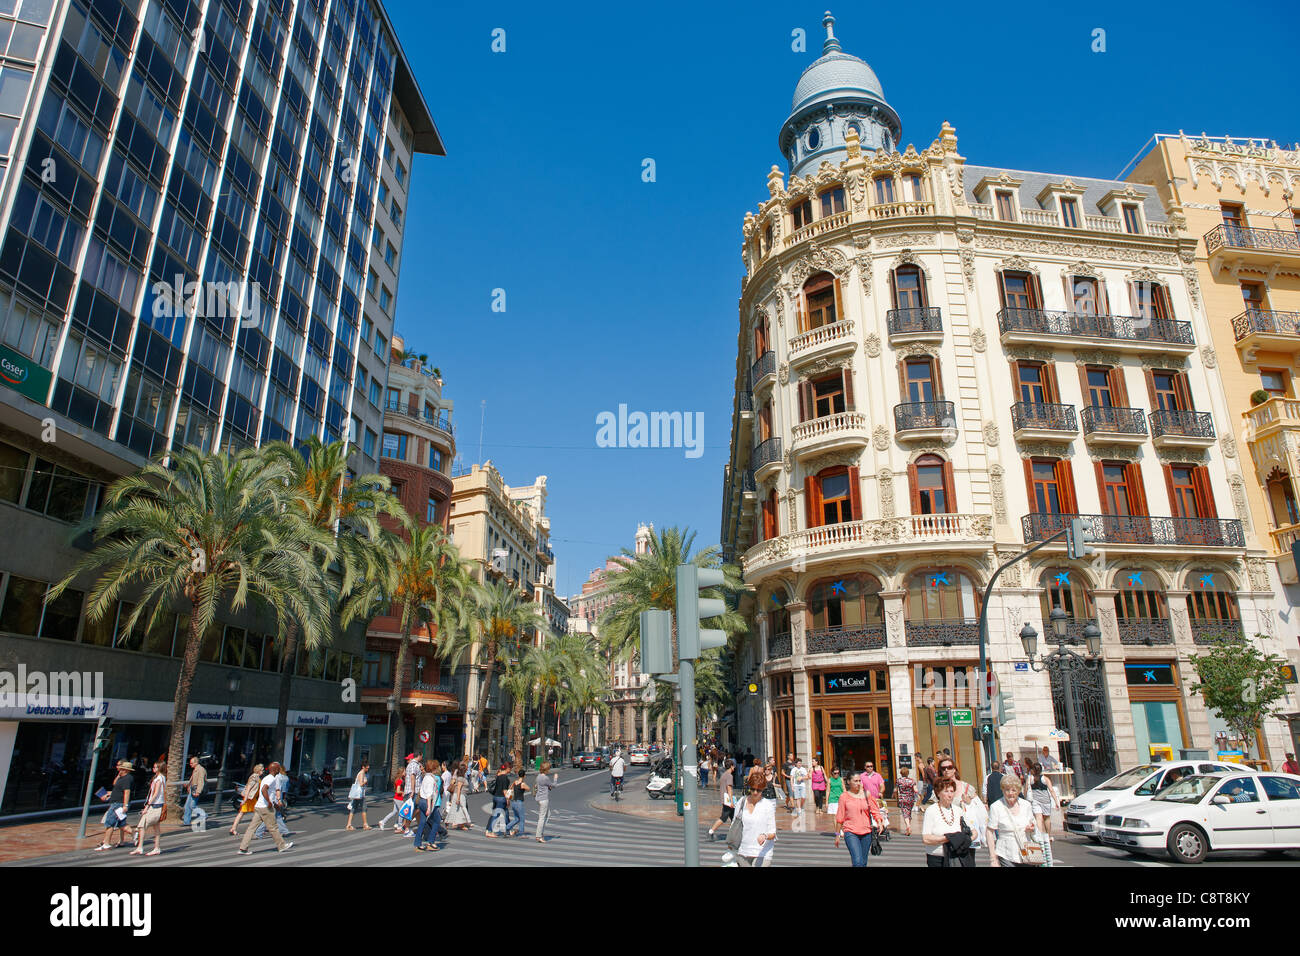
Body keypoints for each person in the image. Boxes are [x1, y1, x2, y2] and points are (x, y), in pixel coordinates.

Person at [987, 773, 1045, 868]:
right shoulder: (996, 807)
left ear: (1018, 791)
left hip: (1027, 852)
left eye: (1013, 790)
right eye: (1007, 790)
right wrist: (993, 858)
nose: (1010, 793)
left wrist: (1031, 828)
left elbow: (1033, 824)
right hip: (1005, 852)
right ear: (1002, 790)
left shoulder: (1026, 805)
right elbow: (989, 831)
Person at [237, 762, 292, 854]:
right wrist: (270, 802)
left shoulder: (266, 778)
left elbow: (271, 792)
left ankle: (243, 848)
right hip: (265, 807)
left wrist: (276, 804)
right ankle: (281, 846)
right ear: (275, 770)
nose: (279, 770)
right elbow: (264, 790)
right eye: (278, 768)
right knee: (273, 827)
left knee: (251, 828)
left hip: (259, 806)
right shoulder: (271, 779)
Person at [834, 771, 885, 867]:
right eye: (855, 781)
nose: (858, 783)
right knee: (857, 861)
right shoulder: (844, 797)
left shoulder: (866, 794)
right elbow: (840, 817)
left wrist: (879, 822)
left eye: (859, 781)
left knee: (863, 862)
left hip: (866, 832)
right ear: (848, 782)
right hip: (851, 832)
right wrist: (837, 834)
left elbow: (875, 810)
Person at [922, 777, 973, 867]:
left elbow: (973, 832)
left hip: (956, 856)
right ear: (938, 793)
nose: (950, 795)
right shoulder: (931, 811)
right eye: (946, 791)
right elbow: (926, 839)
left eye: (952, 791)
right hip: (937, 858)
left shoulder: (958, 810)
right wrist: (951, 838)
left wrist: (962, 839)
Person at [736, 768, 777, 866]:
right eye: (753, 789)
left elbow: (773, 832)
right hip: (743, 851)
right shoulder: (741, 802)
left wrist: (765, 836)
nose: (755, 792)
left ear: (763, 789)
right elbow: (735, 824)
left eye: (758, 790)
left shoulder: (767, 805)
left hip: (762, 852)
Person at [94, 760, 135, 851]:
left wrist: (125, 805)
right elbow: (115, 785)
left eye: (122, 768)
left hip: (118, 804)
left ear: (126, 770)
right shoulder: (121, 778)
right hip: (115, 803)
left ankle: (106, 843)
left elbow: (126, 792)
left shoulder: (127, 779)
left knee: (110, 823)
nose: (120, 769)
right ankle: (134, 834)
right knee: (121, 824)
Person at [129, 760, 166, 856]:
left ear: (160, 768)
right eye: (153, 767)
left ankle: (141, 847)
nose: (153, 769)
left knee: (142, 826)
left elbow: (155, 794)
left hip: (155, 806)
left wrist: (147, 806)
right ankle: (155, 847)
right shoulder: (159, 778)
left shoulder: (159, 779)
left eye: (155, 767)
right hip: (157, 805)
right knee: (156, 828)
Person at [413, 759, 442, 853]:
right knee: (437, 820)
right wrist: (429, 807)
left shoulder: (426, 777)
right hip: (426, 802)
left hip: (421, 800)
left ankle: (417, 844)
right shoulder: (430, 779)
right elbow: (429, 794)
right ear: (434, 768)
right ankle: (431, 842)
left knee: (422, 822)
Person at [1025, 760, 1060, 836]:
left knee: (1038, 818)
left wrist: (1025, 800)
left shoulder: (1030, 779)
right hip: (1045, 800)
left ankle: (1040, 835)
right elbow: (1051, 790)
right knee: (1047, 818)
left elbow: (1026, 790)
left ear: (1033, 770)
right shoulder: (1045, 779)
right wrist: (1056, 801)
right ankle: (1048, 835)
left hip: (1035, 800)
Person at [229, 764, 263, 836]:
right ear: (259, 770)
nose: (263, 771)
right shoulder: (254, 777)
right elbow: (248, 788)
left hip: (252, 799)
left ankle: (233, 828)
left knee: (244, 813)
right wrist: (245, 799)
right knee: (243, 813)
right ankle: (234, 828)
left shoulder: (257, 777)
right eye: (262, 770)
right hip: (249, 799)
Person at [707, 759, 736, 840]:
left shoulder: (724, 775)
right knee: (723, 818)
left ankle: (734, 834)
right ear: (731, 766)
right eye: (733, 765)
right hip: (728, 801)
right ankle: (711, 831)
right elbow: (729, 789)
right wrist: (731, 802)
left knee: (735, 818)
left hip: (724, 800)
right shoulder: (729, 776)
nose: (734, 767)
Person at [444, 763, 473, 830]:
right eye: (466, 769)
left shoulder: (463, 777)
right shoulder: (460, 778)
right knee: (462, 808)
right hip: (460, 795)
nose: (467, 770)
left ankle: (452, 822)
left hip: (460, 795)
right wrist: (458, 799)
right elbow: (459, 789)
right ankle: (467, 821)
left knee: (457, 809)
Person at [534, 762, 557, 843]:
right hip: (544, 799)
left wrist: (548, 787)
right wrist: (555, 778)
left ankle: (540, 833)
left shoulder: (538, 776)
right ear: (546, 769)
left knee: (547, 815)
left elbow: (540, 786)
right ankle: (539, 835)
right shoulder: (545, 778)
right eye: (548, 769)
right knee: (542, 817)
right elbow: (553, 785)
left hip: (538, 798)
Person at [486, 762, 512, 837]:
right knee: (496, 815)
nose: (510, 770)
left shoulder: (498, 776)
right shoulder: (505, 778)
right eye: (510, 768)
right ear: (507, 769)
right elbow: (504, 791)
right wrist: (508, 800)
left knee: (506, 813)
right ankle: (490, 831)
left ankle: (508, 830)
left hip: (496, 797)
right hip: (501, 798)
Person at [378, 768, 407, 833]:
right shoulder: (400, 781)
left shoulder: (399, 780)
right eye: (404, 771)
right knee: (401, 812)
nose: (405, 772)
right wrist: (403, 792)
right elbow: (398, 790)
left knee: (394, 812)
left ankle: (383, 821)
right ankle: (399, 825)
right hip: (399, 799)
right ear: (401, 772)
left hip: (396, 798)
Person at [345, 760, 370, 830]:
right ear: (363, 767)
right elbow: (361, 783)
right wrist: (365, 781)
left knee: (353, 809)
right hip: (359, 795)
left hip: (358, 794)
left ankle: (349, 824)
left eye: (368, 768)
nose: (367, 769)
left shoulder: (363, 773)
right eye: (367, 768)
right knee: (364, 808)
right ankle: (365, 824)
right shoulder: (361, 773)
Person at [182, 756, 206, 826]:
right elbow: (193, 780)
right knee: (187, 806)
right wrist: (188, 785)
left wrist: (198, 791)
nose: (190, 764)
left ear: (196, 762)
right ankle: (186, 822)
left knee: (192, 806)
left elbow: (201, 781)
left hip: (195, 789)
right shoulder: (195, 769)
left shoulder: (201, 769)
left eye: (191, 763)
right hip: (192, 789)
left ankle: (203, 815)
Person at [507, 765, 530, 837]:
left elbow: (510, 788)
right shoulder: (522, 784)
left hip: (513, 802)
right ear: (524, 776)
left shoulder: (515, 782)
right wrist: (523, 783)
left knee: (516, 818)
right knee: (522, 819)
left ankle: (506, 827)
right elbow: (528, 789)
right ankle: (521, 833)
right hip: (519, 802)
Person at [895, 766, 917, 835]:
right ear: (908, 773)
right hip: (910, 799)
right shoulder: (912, 781)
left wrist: (894, 795)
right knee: (909, 812)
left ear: (901, 773)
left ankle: (908, 826)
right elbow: (916, 790)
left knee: (905, 813)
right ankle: (909, 827)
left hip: (902, 799)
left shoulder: (898, 781)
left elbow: (895, 790)